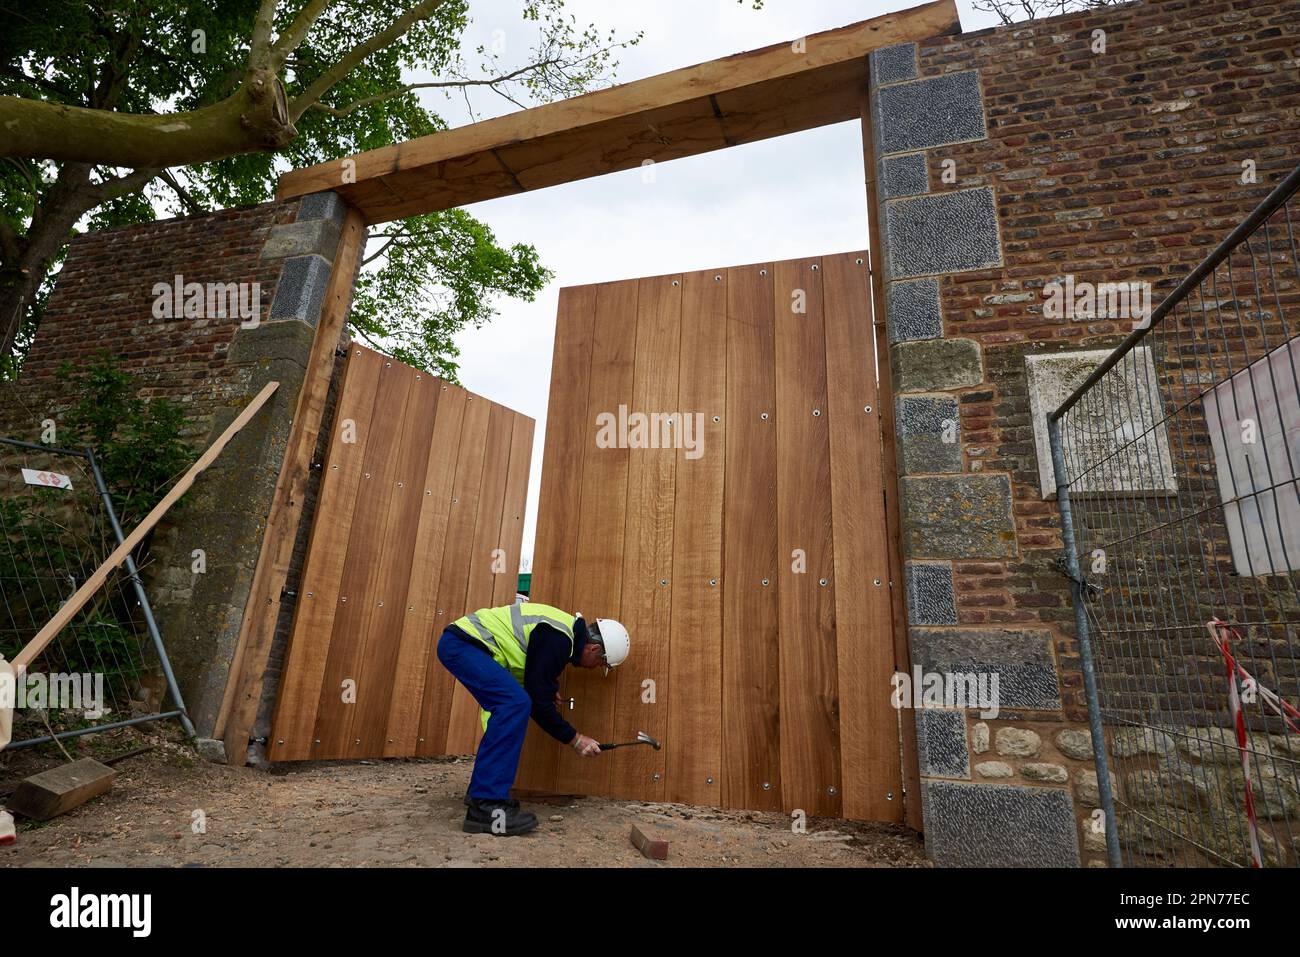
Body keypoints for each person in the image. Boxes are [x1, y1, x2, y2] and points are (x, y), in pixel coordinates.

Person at [436, 601, 630, 835]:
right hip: (464, 645)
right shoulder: (559, 638)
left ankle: (482, 793)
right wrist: (575, 739)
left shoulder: (562, 636)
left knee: (513, 703)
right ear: (594, 649)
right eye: (601, 663)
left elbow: (531, 673)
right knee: (515, 703)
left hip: (465, 645)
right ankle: (486, 806)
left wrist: (545, 690)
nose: (595, 667)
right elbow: (537, 704)